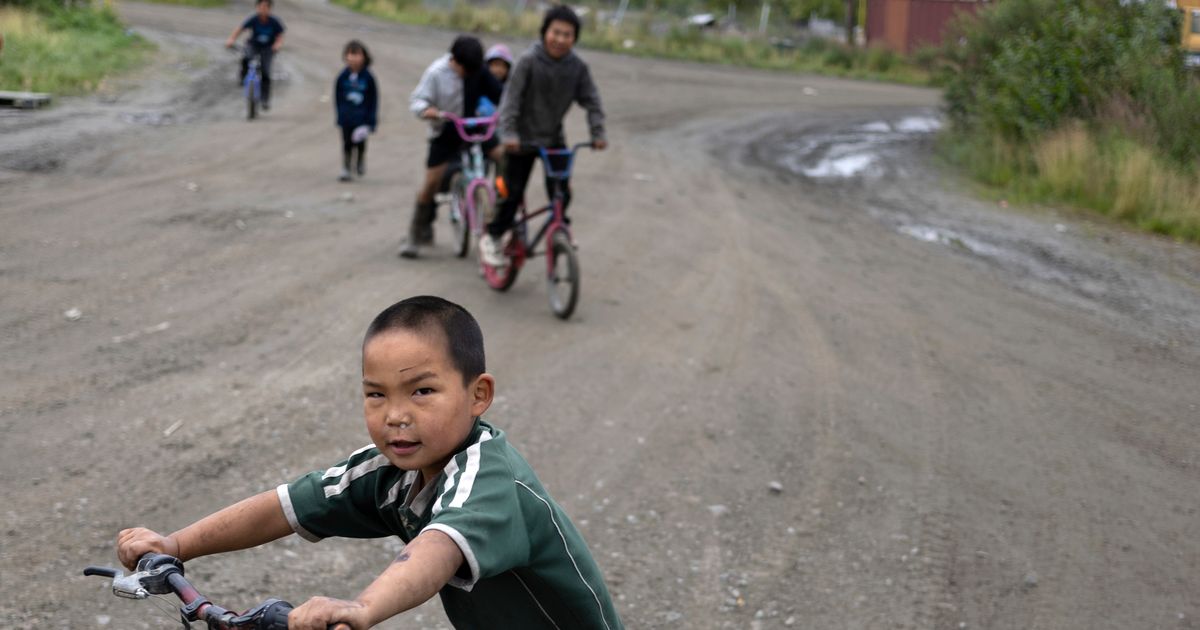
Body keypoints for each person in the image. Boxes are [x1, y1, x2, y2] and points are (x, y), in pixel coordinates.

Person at [115, 296, 624, 630]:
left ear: (478, 394)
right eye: (376, 395)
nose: (396, 416)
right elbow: (287, 506)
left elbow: (437, 550)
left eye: (422, 390)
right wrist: (175, 544)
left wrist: (362, 608)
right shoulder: (389, 472)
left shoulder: (488, 475)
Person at [480, 5, 607, 268]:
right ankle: (492, 236)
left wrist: (598, 133)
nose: (560, 40)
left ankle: (560, 229)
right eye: (556, 32)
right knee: (510, 193)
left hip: (552, 139)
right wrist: (510, 134)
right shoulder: (528, 61)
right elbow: (510, 102)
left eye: (568, 35)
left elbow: (592, 101)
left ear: (575, 38)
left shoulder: (577, 68)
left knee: (561, 192)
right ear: (544, 32)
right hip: (521, 140)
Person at [399, 36, 505, 259]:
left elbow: (501, 96)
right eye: (465, 70)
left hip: (474, 126)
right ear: (454, 61)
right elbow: (417, 99)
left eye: (473, 71)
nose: (469, 75)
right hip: (447, 130)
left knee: (504, 157)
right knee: (432, 183)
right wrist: (426, 110)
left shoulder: (477, 70)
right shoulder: (436, 73)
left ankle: (504, 203)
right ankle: (415, 235)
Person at [225, 0, 285, 110]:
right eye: (261, 7)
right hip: (254, 45)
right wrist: (231, 39)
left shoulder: (274, 21)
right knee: (246, 58)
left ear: (269, 8)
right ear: (257, 7)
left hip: (268, 48)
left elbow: (279, 36)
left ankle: (265, 100)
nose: (263, 9)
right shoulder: (253, 19)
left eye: (266, 7)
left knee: (265, 72)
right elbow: (240, 29)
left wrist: (277, 45)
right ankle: (243, 77)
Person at [334, 40, 379, 182]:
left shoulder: (368, 78)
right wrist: (340, 116)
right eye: (350, 55)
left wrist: (371, 121)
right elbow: (338, 98)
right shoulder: (342, 77)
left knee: (360, 142)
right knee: (347, 142)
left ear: (364, 57)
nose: (353, 58)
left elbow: (373, 100)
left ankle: (359, 161)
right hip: (347, 117)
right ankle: (346, 167)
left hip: (362, 118)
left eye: (357, 55)